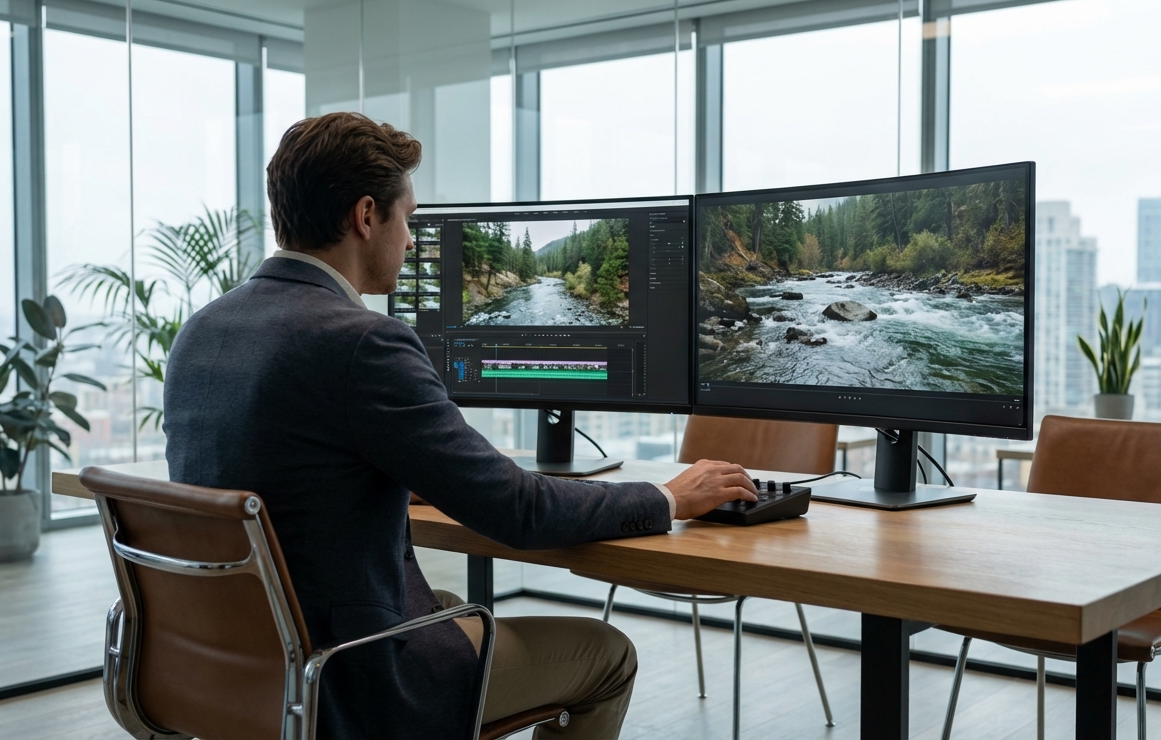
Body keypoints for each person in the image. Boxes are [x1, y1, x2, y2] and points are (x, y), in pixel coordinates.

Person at [162, 111, 757, 739]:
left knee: (453, 609)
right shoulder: (362, 341)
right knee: (605, 655)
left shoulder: (202, 331)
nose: (414, 241)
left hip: (231, 664)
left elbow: (285, 466)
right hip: (348, 676)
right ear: (366, 217)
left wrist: (389, 473)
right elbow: (517, 511)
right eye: (409, 220)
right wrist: (668, 496)